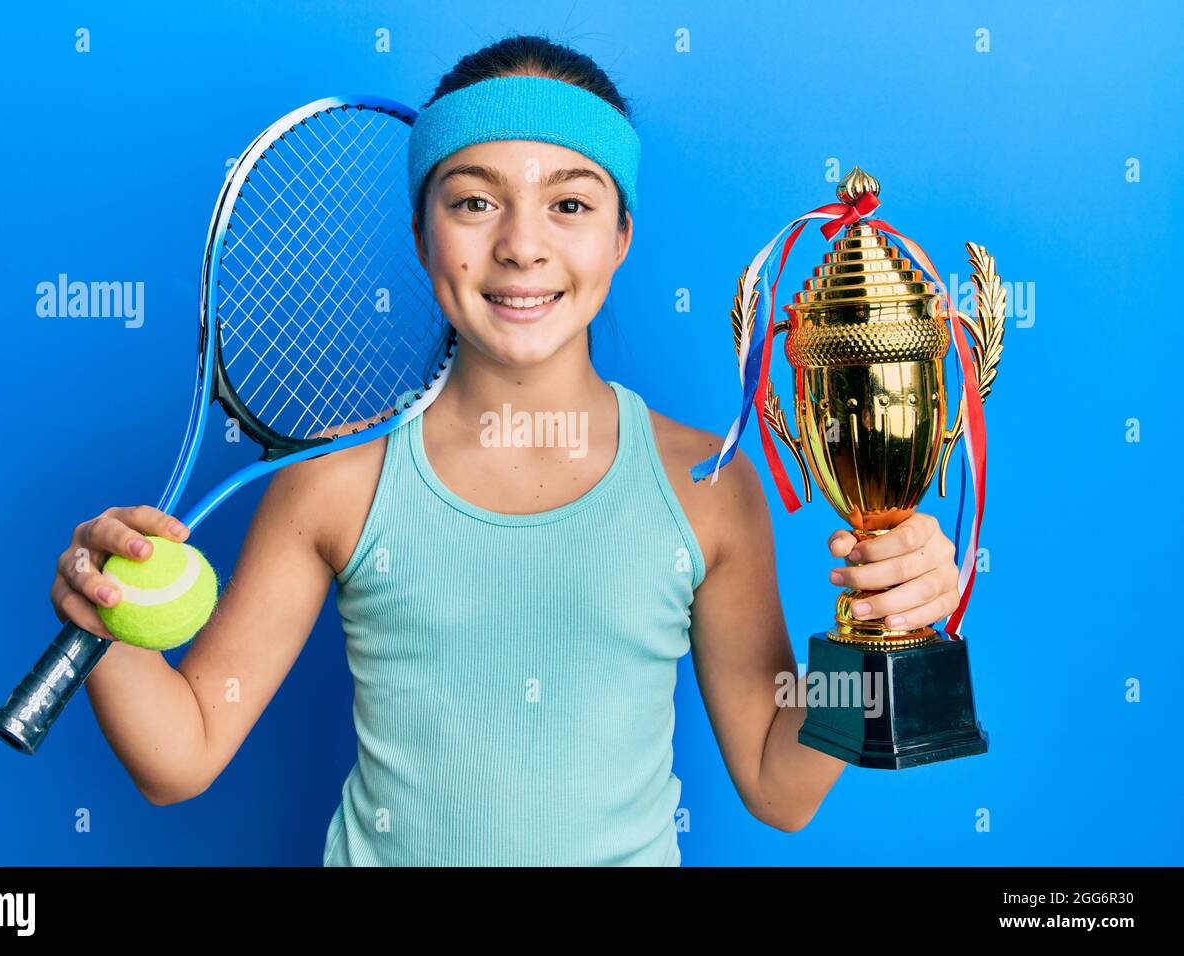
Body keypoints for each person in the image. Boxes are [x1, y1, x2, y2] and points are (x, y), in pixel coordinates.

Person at [51, 34, 964, 866]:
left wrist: (882, 635)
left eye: (569, 202)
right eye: (475, 201)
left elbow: (780, 786)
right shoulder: (334, 480)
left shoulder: (706, 485)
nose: (522, 246)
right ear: (422, 237)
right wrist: (105, 623)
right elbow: (182, 754)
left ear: (621, 237)